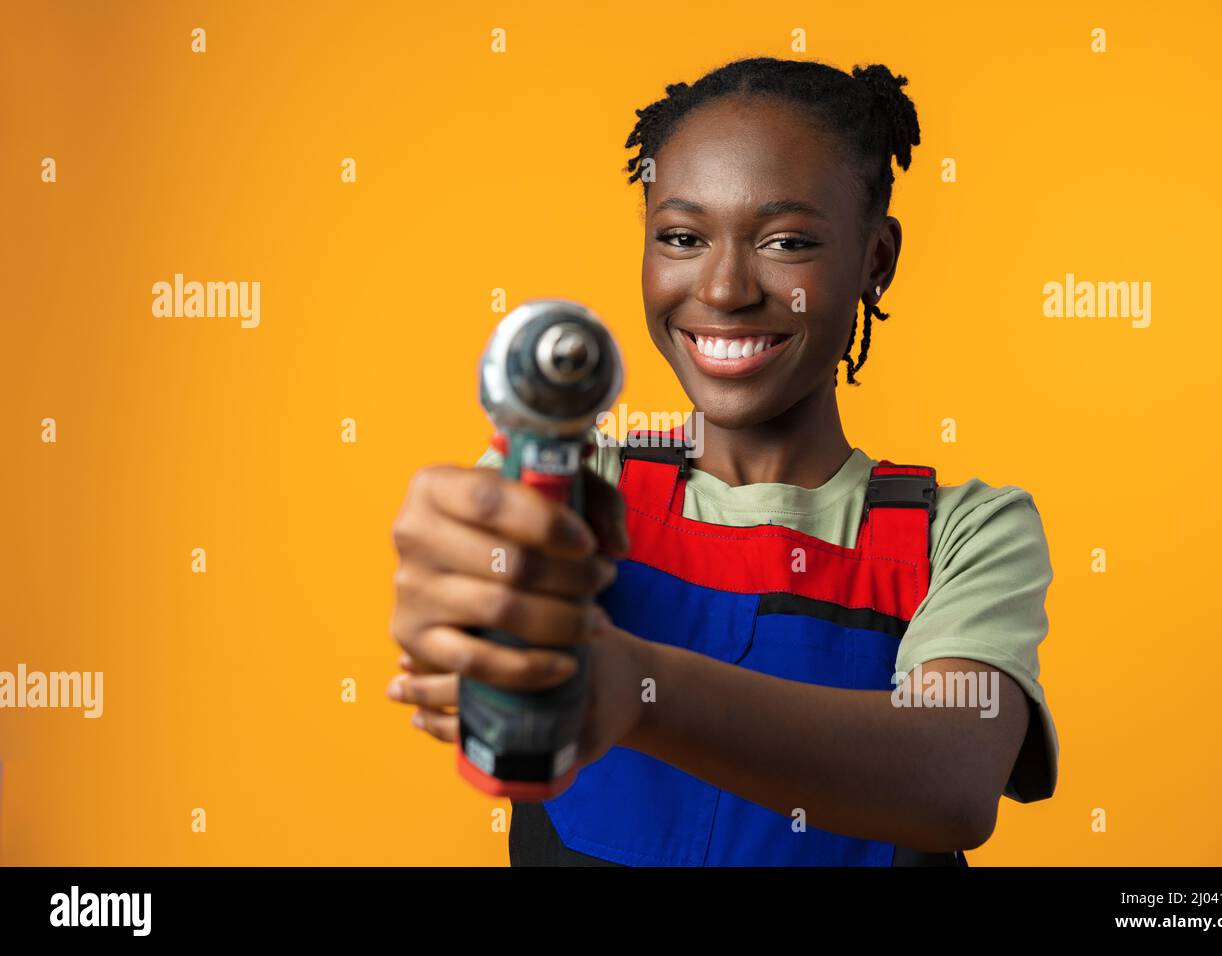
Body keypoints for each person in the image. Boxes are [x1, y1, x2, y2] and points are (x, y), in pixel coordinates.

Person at [388, 56, 1058, 866]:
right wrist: (465, 585)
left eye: (785, 240)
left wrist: (634, 690)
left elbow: (950, 780)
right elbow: (482, 601)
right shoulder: (578, 482)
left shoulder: (965, 535)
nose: (726, 287)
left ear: (876, 259)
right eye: (681, 237)